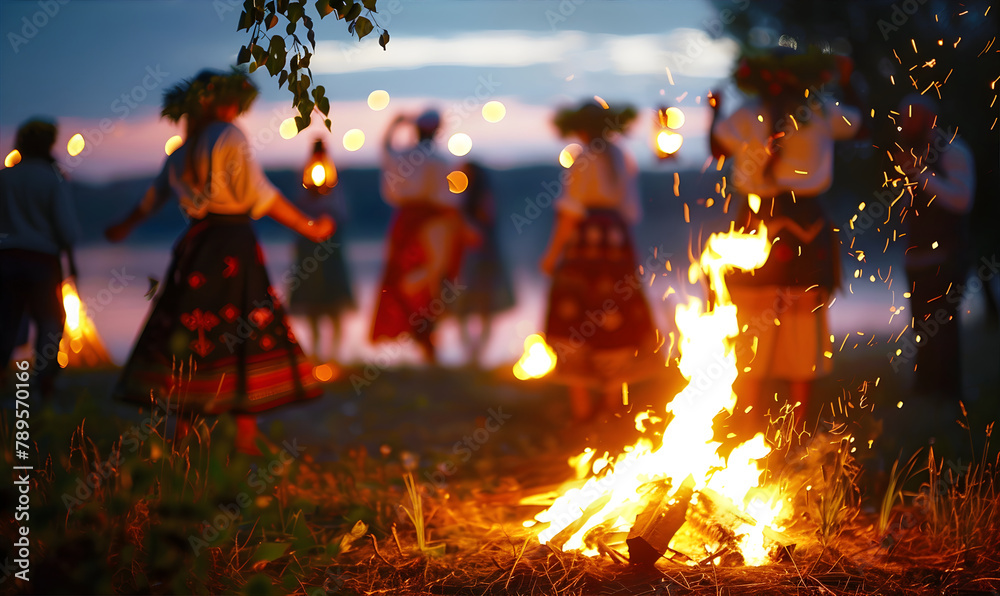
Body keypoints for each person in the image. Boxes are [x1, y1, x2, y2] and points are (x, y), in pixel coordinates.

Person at [105, 68, 334, 455]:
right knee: (241, 326)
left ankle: (183, 432)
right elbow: (256, 194)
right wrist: (309, 227)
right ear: (219, 103)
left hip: (196, 247)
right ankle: (244, 437)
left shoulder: (181, 149)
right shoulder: (228, 135)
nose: (236, 110)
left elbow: (152, 198)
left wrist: (123, 226)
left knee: (195, 329)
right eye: (233, 102)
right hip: (232, 245)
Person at [709, 47, 860, 435]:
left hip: (755, 224)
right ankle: (797, 424)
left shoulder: (745, 114)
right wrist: (846, 82)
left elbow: (717, 147)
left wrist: (714, 110)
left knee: (751, 326)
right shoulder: (823, 111)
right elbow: (860, 124)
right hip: (807, 226)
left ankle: (749, 418)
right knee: (801, 326)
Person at [539, 101, 662, 423]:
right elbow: (631, 209)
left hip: (584, 245)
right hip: (616, 242)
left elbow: (570, 211)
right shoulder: (621, 155)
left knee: (573, 320)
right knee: (615, 312)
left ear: (579, 129)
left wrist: (552, 256)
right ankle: (611, 410)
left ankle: (583, 413)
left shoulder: (581, 158)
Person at [371, 110, 473, 364]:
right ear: (437, 131)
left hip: (406, 224)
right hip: (434, 226)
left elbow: (385, 150)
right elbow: (450, 199)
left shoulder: (404, 156)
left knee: (407, 277)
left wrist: (395, 124)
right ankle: (426, 337)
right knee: (433, 280)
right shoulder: (440, 161)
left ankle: (424, 338)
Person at [893, 93, 975, 400]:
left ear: (930, 119)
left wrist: (921, 175)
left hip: (948, 258)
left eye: (910, 118)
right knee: (921, 328)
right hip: (917, 259)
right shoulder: (912, 155)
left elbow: (962, 200)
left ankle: (949, 393)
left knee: (945, 327)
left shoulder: (954, 152)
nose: (903, 125)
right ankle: (924, 390)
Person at [0, 118, 80, 397]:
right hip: (43, 261)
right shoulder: (53, 177)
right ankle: (44, 381)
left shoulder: (5, 177)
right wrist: (72, 262)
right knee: (49, 321)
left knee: (6, 320)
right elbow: (66, 228)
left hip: (6, 258)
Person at [289, 139, 355, 362]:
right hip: (309, 247)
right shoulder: (304, 177)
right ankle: (316, 353)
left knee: (334, 301)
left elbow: (341, 213)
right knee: (312, 300)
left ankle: (334, 355)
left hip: (329, 249)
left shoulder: (334, 180)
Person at [451, 162, 515, 366]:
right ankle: (471, 352)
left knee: (481, 303)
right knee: (466, 304)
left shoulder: (480, 198)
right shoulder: (462, 199)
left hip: (482, 257)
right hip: (474, 257)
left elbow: (484, 221)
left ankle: (477, 353)